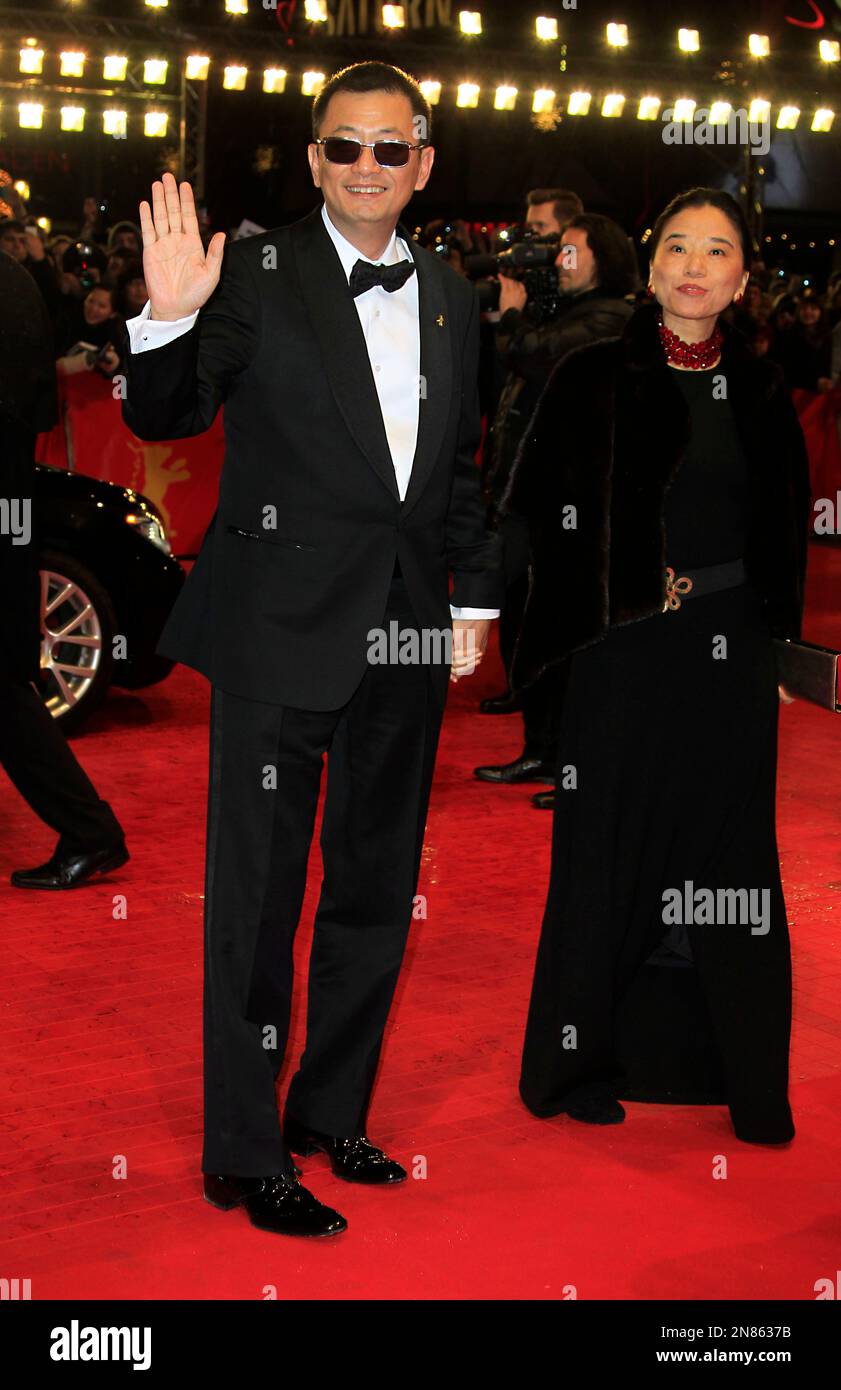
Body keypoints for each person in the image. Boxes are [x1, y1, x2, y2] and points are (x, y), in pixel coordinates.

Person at [121, 61, 501, 1239]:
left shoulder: (450, 294)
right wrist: (168, 317)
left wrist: (474, 597)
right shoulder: (259, 272)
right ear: (313, 159)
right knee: (257, 900)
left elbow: (458, 465)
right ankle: (243, 1151)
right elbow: (168, 413)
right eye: (344, 146)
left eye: (390, 148)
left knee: (376, 887)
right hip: (278, 630)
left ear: (423, 163)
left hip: (403, 626)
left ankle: (331, 1110)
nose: (366, 167)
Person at [503, 187, 810, 1145]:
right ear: (651, 264)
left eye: (716, 250)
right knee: (605, 851)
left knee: (730, 859)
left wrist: (776, 649)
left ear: (742, 278)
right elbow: (533, 511)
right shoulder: (590, 374)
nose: (693, 265)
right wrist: (545, 636)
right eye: (677, 245)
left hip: (728, 653)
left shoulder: (762, 390)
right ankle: (579, 1061)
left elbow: (783, 534)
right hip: (619, 651)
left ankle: (742, 1077)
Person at [476, 213, 637, 805]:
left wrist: (513, 315)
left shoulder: (613, 317)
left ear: (603, 258)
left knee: (570, 641)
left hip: (575, 506)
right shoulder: (562, 312)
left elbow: (541, 358)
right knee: (527, 627)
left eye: (569, 251)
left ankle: (574, 767)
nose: (556, 261)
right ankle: (542, 751)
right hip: (528, 497)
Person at [0, 250, 129, 890]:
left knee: (5, 697)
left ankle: (90, 831)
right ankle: (89, 831)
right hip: (12, 503)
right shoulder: (16, 278)